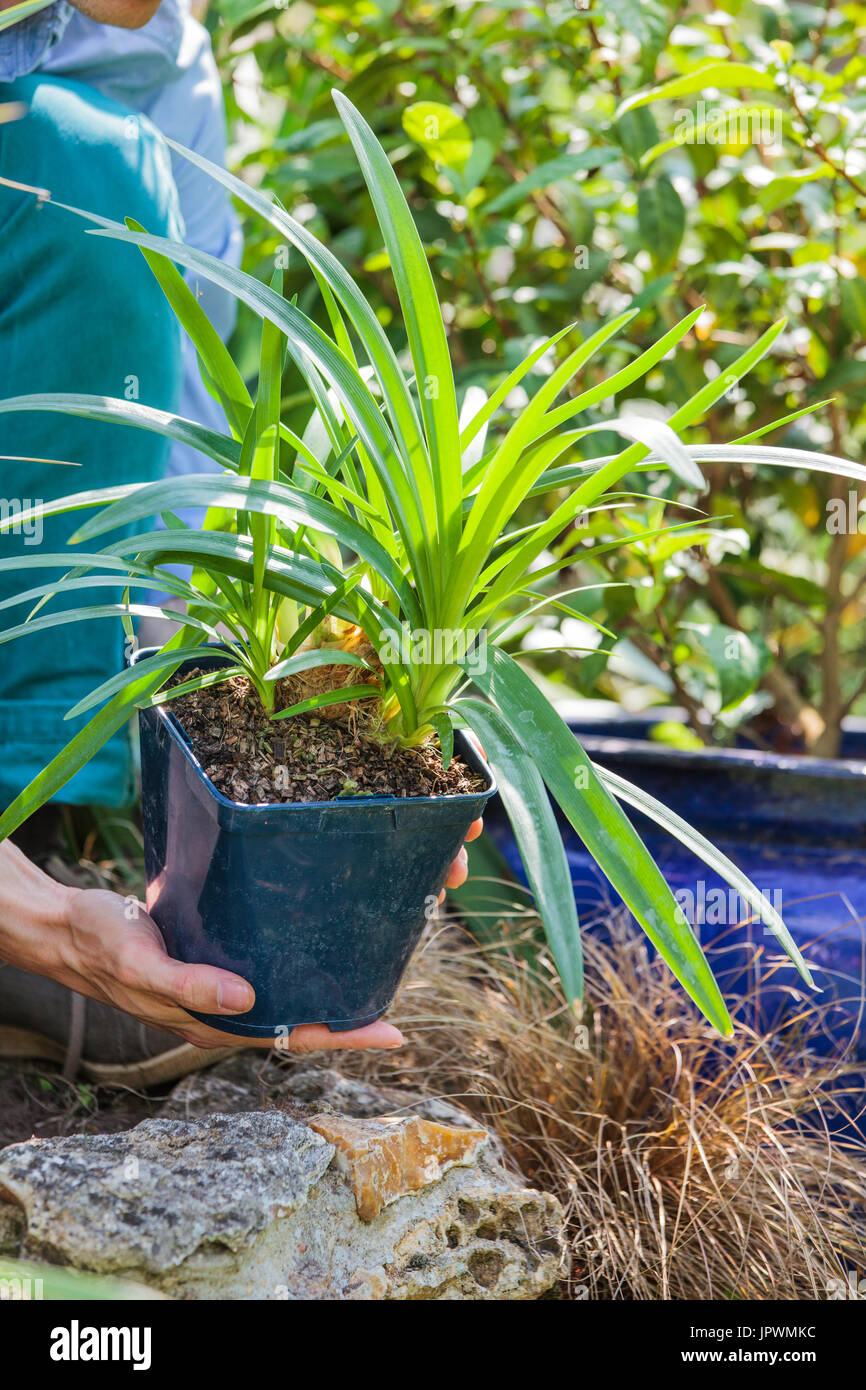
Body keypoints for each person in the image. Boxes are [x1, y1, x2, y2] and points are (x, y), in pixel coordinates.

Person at [0, 0, 481, 1082]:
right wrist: (42, 927)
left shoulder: (152, 70)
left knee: (98, 173)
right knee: (80, 177)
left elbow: (155, 447)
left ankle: (35, 828)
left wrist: (245, 718)